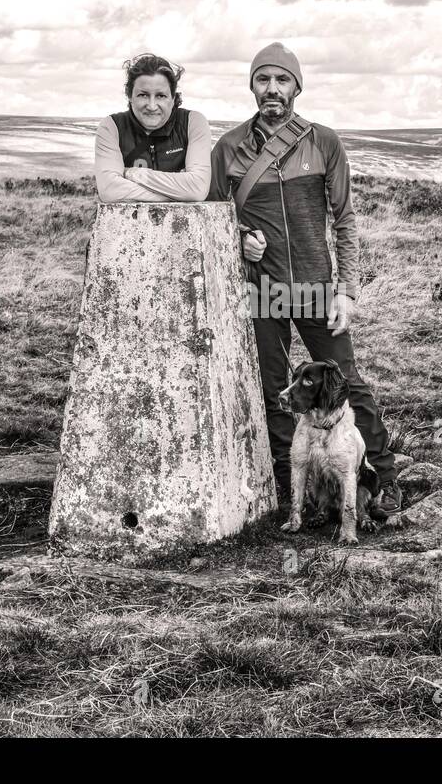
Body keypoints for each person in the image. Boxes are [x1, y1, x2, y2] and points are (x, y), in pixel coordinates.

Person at [208, 42, 403, 518]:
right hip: (262, 290)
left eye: (281, 80)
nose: (272, 89)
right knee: (276, 389)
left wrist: (347, 290)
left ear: (297, 86)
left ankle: (385, 481)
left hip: (318, 288)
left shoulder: (324, 142)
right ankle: (291, 492)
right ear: (252, 86)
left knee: (348, 384)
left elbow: (345, 220)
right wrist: (239, 238)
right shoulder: (229, 148)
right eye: (262, 79)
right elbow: (210, 218)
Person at [93, 53, 210, 202]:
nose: (152, 105)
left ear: (173, 98)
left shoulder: (193, 122)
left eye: (161, 96)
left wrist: (134, 174)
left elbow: (197, 189)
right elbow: (110, 192)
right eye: (143, 95)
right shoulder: (111, 127)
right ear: (129, 96)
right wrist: (179, 194)